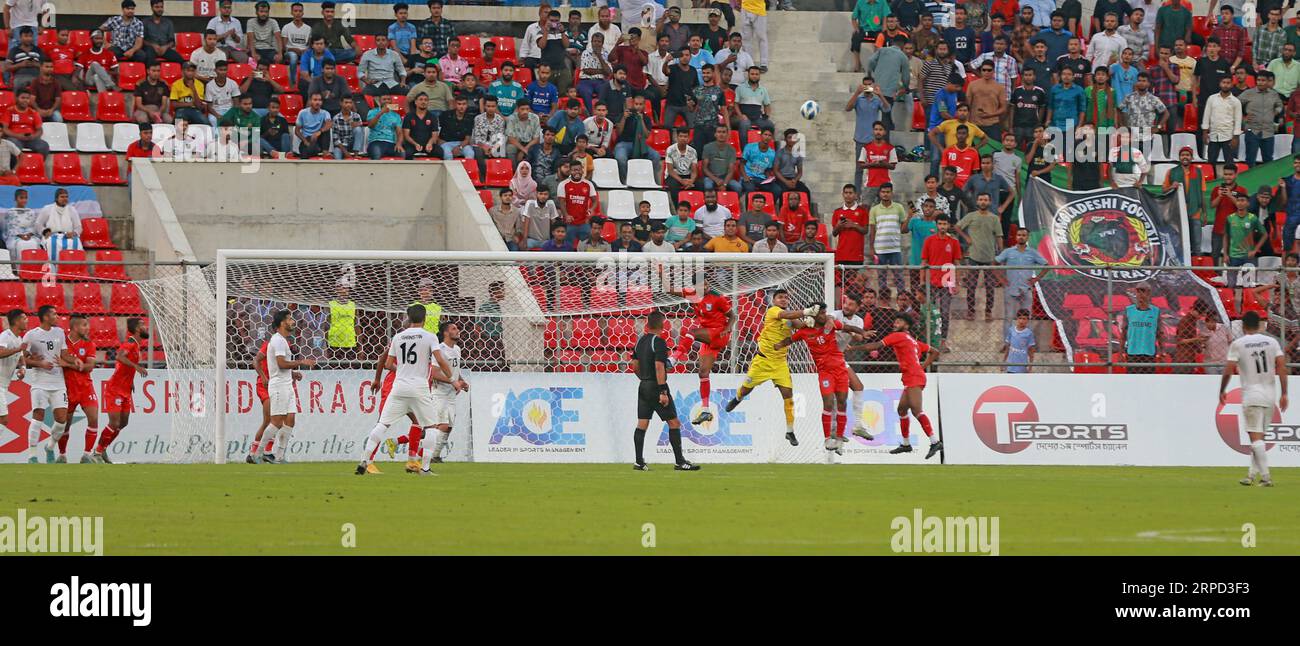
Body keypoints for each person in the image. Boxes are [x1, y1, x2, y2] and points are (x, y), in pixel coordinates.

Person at [355, 305, 449, 476]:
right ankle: (422, 467)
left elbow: (387, 362)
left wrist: (400, 371)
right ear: (425, 318)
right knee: (430, 426)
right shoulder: (428, 337)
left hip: (399, 386)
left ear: (408, 318)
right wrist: (451, 375)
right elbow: (439, 359)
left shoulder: (399, 337)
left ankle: (401, 460)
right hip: (412, 386)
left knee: (388, 424)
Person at [777, 303, 871, 452]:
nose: (824, 315)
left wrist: (863, 332)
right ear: (813, 315)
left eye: (825, 313)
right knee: (828, 403)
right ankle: (827, 439)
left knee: (842, 403)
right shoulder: (804, 332)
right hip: (825, 373)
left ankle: (839, 439)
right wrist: (777, 345)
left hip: (840, 369)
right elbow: (790, 340)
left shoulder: (831, 324)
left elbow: (849, 328)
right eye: (821, 313)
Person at [724, 290, 810, 446]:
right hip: (762, 362)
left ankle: (790, 431)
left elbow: (801, 325)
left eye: (786, 297)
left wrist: (812, 320)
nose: (783, 300)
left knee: (788, 395)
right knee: (745, 389)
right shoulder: (773, 311)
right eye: (780, 297)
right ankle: (737, 398)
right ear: (774, 300)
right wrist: (806, 312)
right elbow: (788, 316)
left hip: (780, 363)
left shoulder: (790, 318)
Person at [850, 313, 941, 458]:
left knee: (917, 410)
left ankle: (935, 441)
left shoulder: (897, 336)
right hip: (913, 376)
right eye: (895, 321)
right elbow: (935, 352)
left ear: (907, 325)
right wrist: (922, 366)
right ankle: (906, 444)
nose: (895, 323)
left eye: (899, 321)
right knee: (902, 410)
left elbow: (875, 345)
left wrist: (852, 349)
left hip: (913, 377)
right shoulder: (914, 341)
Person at [1220, 310, 1284, 487]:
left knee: (1255, 439)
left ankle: (1266, 477)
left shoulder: (1239, 344)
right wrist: (1284, 393)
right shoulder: (1272, 342)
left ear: (1243, 325)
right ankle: (1251, 475)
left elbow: (1229, 368)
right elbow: (1281, 365)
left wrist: (1222, 389)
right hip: (1270, 394)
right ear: (1259, 324)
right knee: (1260, 438)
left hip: (1252, 394)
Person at [631, 311, 699, 471]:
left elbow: (634, 365)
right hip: (657, 386)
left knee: (642, 424)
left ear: (648, 324)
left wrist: (644, 379)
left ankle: (639, 462)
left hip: (644, 386)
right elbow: (659, 366)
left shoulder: (639, 342)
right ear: (662, 325)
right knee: (674, 423)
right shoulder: (659, 342)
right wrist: (662, 390)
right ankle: (680, 462)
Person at [669, 276, 736, 424]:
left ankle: (674, 358)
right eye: (702, 284)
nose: (706, 286)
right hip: (708, 336)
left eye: (707, 283)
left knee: (692, 332)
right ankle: (706, 411)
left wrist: (728, 328)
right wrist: (659, 271)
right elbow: (669, 289)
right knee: (703, 373)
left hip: (719, 333)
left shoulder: (717, 297)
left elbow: (732, 316)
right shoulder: (692, 295)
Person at [995, 228, 1049, 328]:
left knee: (1026, 317)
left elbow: (1046, 265)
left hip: (1026, 289)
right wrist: (1000, 279)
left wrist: (1036, 279)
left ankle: (1025, 342)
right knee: (1009, 317)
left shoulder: (1033, 253)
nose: (1021, 237)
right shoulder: (1008, 252)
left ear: (1027, 237)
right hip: (1010, 288)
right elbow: (994, 263)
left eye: (1024, 235)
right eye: (1019, 235)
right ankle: (1007, 342)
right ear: (1016, 237)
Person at [1120, 284, 1162, 373]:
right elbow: (1124, 332)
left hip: (1149, 352)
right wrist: (1121, 352)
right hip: (1133, 352)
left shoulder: (1155, 311)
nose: (1140, 294)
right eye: (1138, 292)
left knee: (1148, 381)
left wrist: (1162, 351)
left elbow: (1159, 332)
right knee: (1132, 380)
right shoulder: (1129, 310)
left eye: (1143, 291)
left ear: (1149, 293)